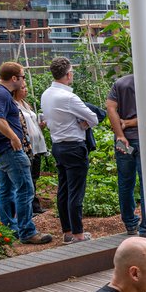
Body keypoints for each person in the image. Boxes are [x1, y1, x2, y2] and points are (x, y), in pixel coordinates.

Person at [0, 62, 51, 245]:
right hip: (10, 150)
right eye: (22, 77)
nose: (23, 81)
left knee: (6, 190)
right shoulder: (1, 93)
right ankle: (27, 231)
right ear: (14, 78)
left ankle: (9, 227)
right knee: (26, 190)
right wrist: (13, 137)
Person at [41, 57, 99, 243]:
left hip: (58, 145)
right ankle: (78, 234)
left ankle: (67, 232)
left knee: (64, 190)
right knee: (76, 192)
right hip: (74, 146)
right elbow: (94, 118)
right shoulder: (69, 98)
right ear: (68, 75)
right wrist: (83, 124)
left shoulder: (46, 94)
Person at [106, 62, 146, 237]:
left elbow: (110, 107)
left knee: (126, 182)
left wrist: (120, 134)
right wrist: (129, 124)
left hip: (123, 142)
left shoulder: (120, 83)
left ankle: (130, 224)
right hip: (145, 142)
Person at [14, 80, 50, 217]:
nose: (26, 90)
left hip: (37, 145)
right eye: (23, 88)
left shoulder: (25, 104)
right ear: (15, 90)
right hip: (27, 147)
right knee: (27, 178)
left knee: (34, 176)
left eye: (26, 87)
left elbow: (31, 124)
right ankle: (28, 208)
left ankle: (35, 206)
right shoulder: (14, 105)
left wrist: (40, 125)